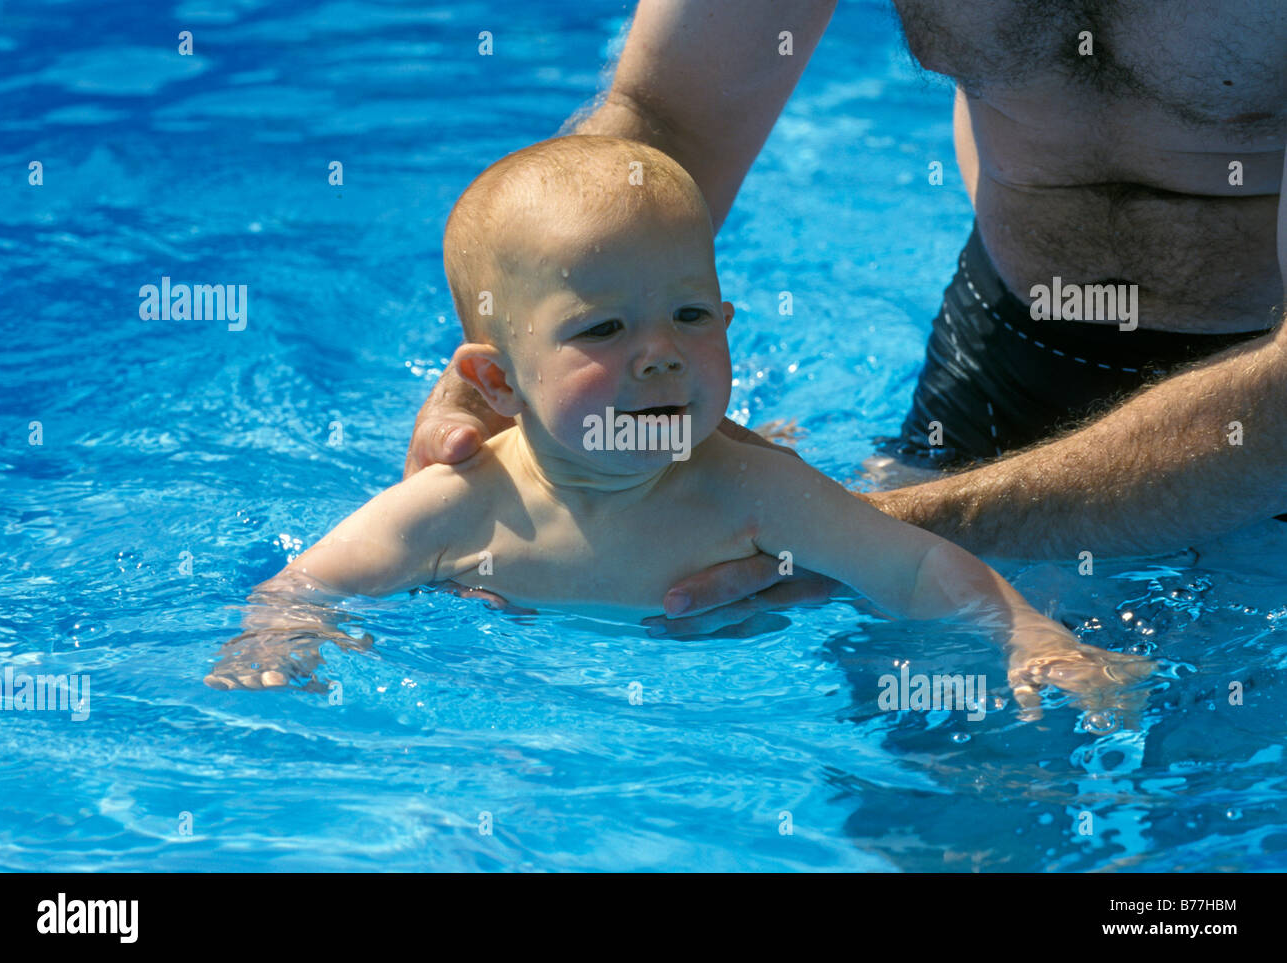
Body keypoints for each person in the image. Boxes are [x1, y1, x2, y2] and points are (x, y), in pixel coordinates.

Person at [406, 0, 1287, 639]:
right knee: (941, 797)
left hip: (1264, 388)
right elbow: (664, 122)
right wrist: (524, 349)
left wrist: (862, 532)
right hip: (1009, 345)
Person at [205, 135, 1151, 720]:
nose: (660, 354)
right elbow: (302, 584)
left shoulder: (748, 487)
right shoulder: (459, 506)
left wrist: (1025, 631)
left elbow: (909, 565)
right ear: (498, 380)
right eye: (604, 330)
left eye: (692, 316)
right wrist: (280, 636)